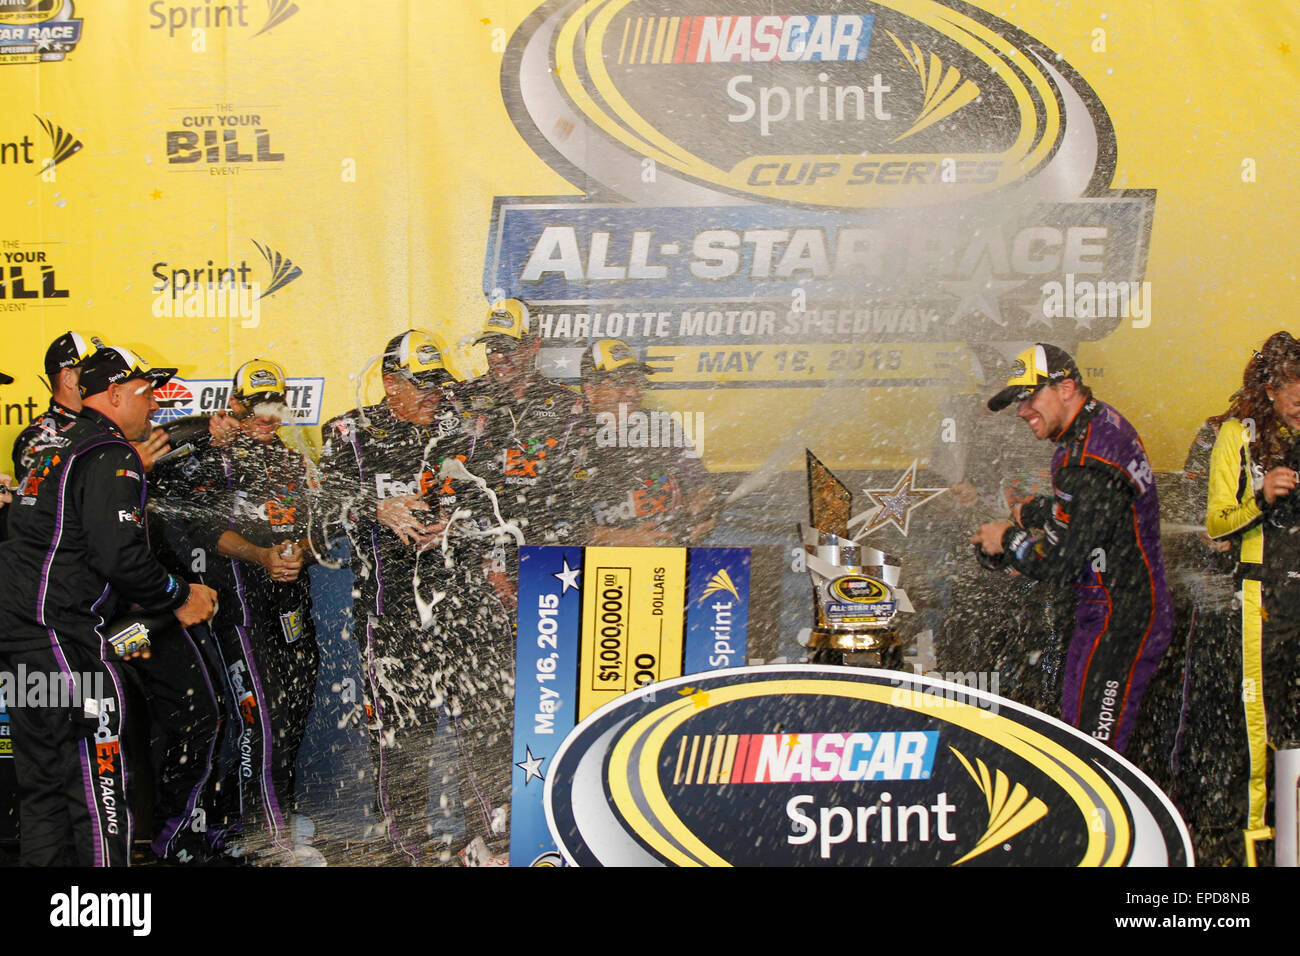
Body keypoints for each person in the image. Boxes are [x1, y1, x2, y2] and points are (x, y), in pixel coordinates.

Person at [0, 345, 217, 866]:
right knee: (99, 785)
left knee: (45, 786)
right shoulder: (108, 452)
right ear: (114, 394)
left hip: (24, 638)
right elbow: (118, 556)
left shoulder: (56, 446)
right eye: (146, 394)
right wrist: (181, 597)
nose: (155, 407)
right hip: (64, 638)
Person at [318, 330, 513, 864]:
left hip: (464, 608)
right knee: (403, 738)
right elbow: (318, 509)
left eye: (436, 383)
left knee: (486, 722)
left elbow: (502, 508)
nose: (433, 394)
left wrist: (457, 520)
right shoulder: (349, 432)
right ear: (389, 382)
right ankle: (409, 852)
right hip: (391, 614)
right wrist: (374, 508)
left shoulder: (463, 427)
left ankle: (490, 842)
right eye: (420, 384)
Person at [971, 343, 1172, 755]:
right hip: (1109, 606)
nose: (1022, 411)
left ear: (1065, 388)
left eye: (1029, 398)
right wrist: (1032, 512)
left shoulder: (1087, 459)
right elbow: (1091, 515)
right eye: (1017, 402)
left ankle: (1104, 821)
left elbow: (1061, 562)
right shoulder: (1095, 424)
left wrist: (1007, 540)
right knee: (1077, 740)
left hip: (1121, 614)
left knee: (1095, 756)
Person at [183, 359, 323, 865]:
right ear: (237, 406)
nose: (268, 417)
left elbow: (320, 521)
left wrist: (301, 550)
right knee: (259, 719)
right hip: (239, 608)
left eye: (274, 406)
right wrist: (261, 555)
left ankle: (274, 816)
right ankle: (266, 838)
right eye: (256, 406)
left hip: (292, 604)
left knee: (291, 712)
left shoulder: (291, 458)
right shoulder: (213, 454)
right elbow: (205, 530)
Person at [1197, 331, 1300, 866]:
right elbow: (1217, 520)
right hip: (1265, 595)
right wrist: (1261, 496)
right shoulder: (1238, 433)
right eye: (1290, 387)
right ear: (1268, 387)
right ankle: (1258, 844)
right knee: (1261, 723)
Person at [568, 338, 717, 546]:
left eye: (636, 382)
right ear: (591, 391)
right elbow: (555, 521)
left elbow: (699, 484)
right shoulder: (569, 435)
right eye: (620, 382)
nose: (633, 392)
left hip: (668, 553)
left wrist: (701, 513)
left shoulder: (662, 426)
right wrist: (621, 539)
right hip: (593, 563)